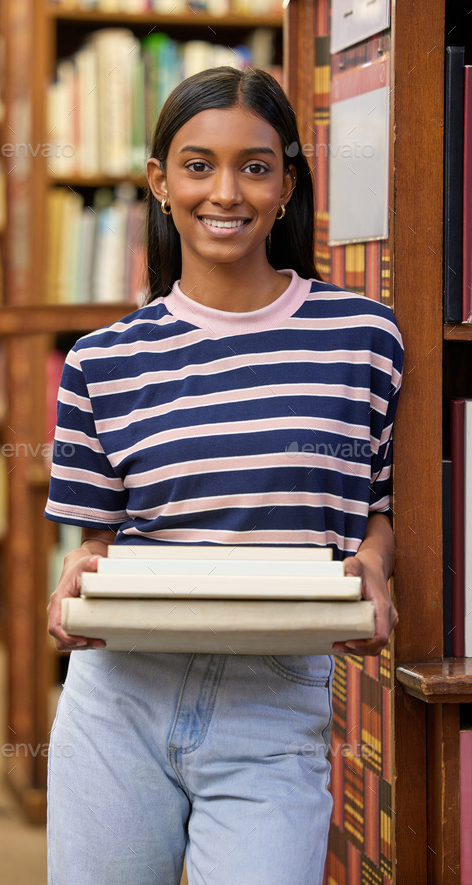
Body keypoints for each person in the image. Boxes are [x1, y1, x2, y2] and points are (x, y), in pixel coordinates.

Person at [45, 66, 403, 885]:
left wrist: (375, 565)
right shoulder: (101, 361)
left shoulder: (364, 338)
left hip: (274, 696)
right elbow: (98, 538)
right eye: (198, 164)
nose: (226, 192)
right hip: (119, 694)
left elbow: (378, 506)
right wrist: (77, 569)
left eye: (255, 165)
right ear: (159, 183)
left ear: (286, 185)